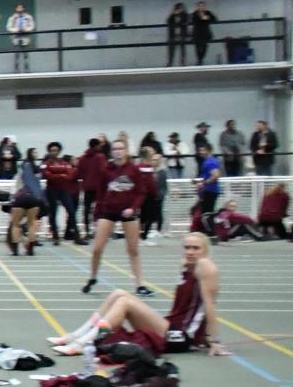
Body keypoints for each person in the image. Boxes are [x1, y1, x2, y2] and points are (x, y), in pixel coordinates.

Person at [52, 233, 220, 359]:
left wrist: (214, 340)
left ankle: (83, 343)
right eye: (187, 247)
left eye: (196, 248)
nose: (190, 252)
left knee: (125, 302)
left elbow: (209, 306)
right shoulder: (186, 265)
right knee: (119, 293)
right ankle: (76, 336)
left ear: (205, 250)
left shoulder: (205, 266)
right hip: (170, 326)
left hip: (182, 337)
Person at [82, 138, 152, 295]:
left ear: (126, 151)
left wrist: (133, 208)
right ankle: (93, 277)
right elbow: (100, 194)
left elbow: (141, 192)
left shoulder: (134, 170)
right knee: (97, 248)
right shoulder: (106, 170)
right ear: (111, 152)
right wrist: (96, 216)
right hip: (108, 211)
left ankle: (140, 284)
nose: (118, 151)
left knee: (133, 250)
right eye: (115, 149)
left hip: (128, 212)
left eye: (121, 148)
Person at [5, 153, 43, 256]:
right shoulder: (36, 176)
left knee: (15, 225)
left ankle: (15, 250)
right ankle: (30, 249)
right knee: (31, 225)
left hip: (20, 198)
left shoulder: (19, 176)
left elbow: (14, 192)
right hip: (33, 199)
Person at [41, 141, 79, 244]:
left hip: (64, 190)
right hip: (51, 190)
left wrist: (56, 174)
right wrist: (61, 175)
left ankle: (76, 235)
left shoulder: (65, 163)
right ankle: (55, 236)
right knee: (53, 213)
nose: (55, 152)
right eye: (52, 150)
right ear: (49, 151)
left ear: (59, 151)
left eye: (56, 150)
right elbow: (47, 175)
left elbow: (70, 175)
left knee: (71, 211)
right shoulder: (46, 164)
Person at [73, 136, 108, 240]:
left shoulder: (82, 158)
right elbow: (103, 172)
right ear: (97, 146)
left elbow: (78, 173)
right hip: (99, 187)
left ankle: (87, 230)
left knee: (86, 210)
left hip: (87, 187)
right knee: (100, 210)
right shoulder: (100, 157)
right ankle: (100, 231)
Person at [138, 142, 168, 242]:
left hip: (148, 195)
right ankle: (142, 236)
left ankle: (143, 235)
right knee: (146, 216)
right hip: (147, 195)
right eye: (151, 151)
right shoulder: (144, 167)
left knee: (147, 216)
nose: (153, 152)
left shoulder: (149, 167)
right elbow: (149, 183)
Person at [192, 142, 223, 236]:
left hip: (210, 191)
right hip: (209, 190)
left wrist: (204, 183)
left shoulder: (210, 162)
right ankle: (211, 233)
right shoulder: (209, 161)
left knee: (206, 214)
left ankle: (212, 234)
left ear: (208, 151)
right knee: (206, 213)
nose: (200, 152)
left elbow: (216, 175)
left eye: (203, 150)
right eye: (200, 150)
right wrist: (198, 181)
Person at [6, 3, 36, 72]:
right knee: (16, 55)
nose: (19, 9)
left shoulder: (28, 17)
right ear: (16, 9)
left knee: (26, 55)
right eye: (18, 8)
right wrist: (16, 30)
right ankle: (16, 70)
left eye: (21, 8)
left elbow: (32, 26)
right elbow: (9, 27)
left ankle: (27, 70)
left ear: (23, 9)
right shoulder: (12, 17)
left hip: (25, 37)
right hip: (16, 37)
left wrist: (25, 30)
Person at [164, 2, 189, 67]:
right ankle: (170, 62)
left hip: (181, 35)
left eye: (182, 8)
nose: (180, 9)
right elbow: (168, 21)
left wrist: (180, 17)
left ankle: (183, 62)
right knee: (171, 50)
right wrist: (173, 14)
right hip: (173, 36)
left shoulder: (185, 15)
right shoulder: (173, 15)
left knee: (182, 49)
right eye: (179, 8)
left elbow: (185, 22)